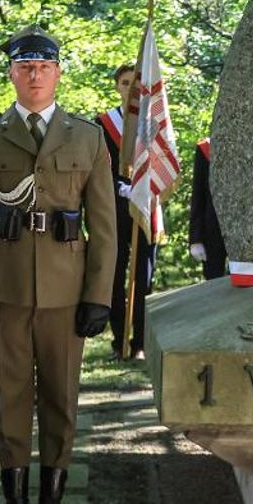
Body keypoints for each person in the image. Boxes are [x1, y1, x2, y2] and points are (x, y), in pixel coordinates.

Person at [0, 26, 116, 504]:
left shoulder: (87, 137)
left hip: (67, 293)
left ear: (58, 72)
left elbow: (105, 225)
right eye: (25, 66)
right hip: (8, 290)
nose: (35, 74)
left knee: (61, 400)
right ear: (12, 73)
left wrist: (100, 295)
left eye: (44, 66)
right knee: (10, 401)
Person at [99, 62, 155, 359]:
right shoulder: (103, 124)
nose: (130, 88)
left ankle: (141, 343)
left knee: (144, 276)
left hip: (144, 207)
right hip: (114, 209)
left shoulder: (153, 122)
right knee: (115, 274)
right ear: (116, 87)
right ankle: (120, 340)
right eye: (124, 82)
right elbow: (95, 170)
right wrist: (119, 187)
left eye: (135, 82)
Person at [188, 135, 228, 279]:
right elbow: (198, 195)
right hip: (212, 230)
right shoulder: (205, 148)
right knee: (213, 285)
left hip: (243, 231)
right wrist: (196, 239)